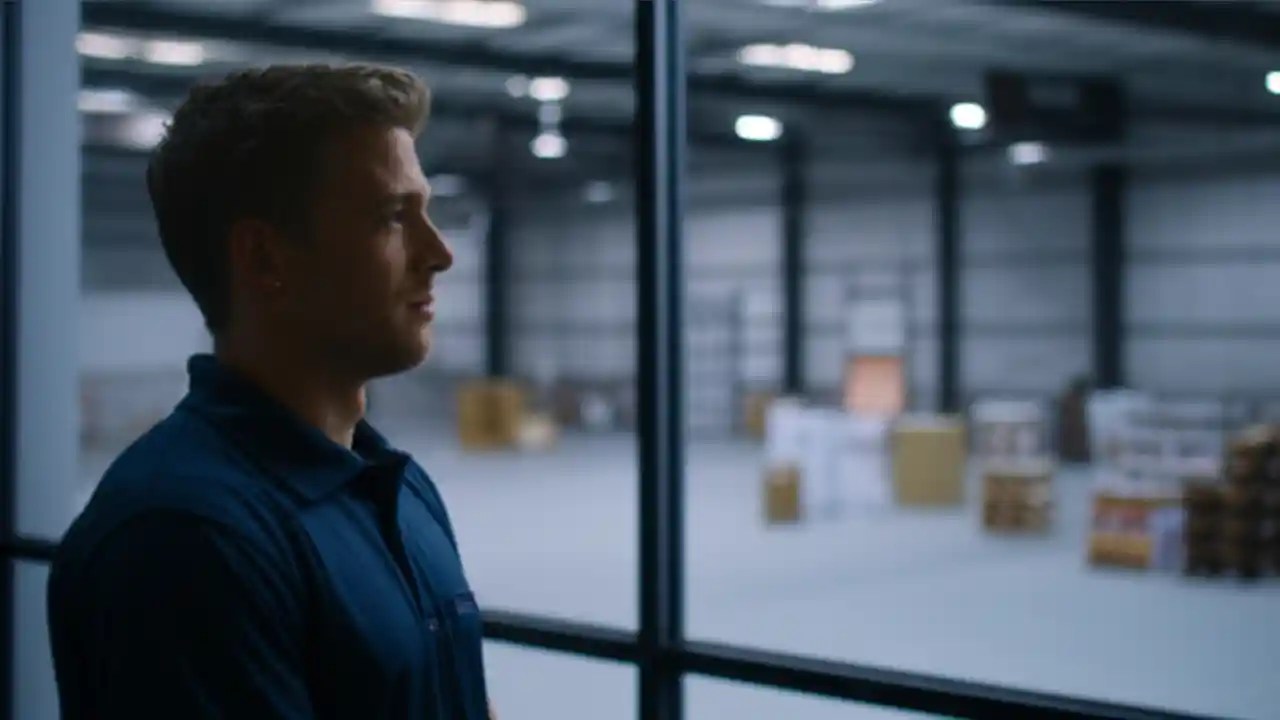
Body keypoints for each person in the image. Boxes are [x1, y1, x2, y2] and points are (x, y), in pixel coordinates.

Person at [47, 64, 494, 719]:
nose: (440, 253)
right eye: (393, 217)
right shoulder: (184, 543)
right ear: (264, 258)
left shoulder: (398, 489)